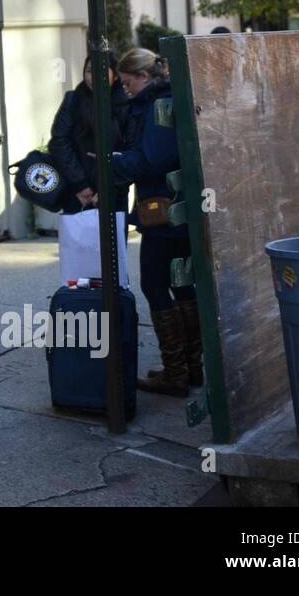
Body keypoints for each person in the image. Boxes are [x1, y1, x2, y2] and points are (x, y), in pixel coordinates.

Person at [108, 48, 200, 397]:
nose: (125, 88)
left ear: (144, 77)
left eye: (128, 81)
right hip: (175, 209)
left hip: (164, 213)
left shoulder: (157, 106)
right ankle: (191, 368)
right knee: (181, 284)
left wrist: (114, 162)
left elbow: (153, 158)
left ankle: (176, 373)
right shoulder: (166, 99)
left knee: (155, 285)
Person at [48, 51, 129, 215]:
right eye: (90, 71)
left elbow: (130, 148)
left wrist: (111, 187)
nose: (94, 77)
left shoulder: (125, 104)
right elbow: (59, 143)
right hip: (78, 191)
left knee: (114, 239)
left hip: (114, 191)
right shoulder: (73, 100)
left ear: (115, 75)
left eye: (102, 71)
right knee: (80, 239)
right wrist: (81, 185)